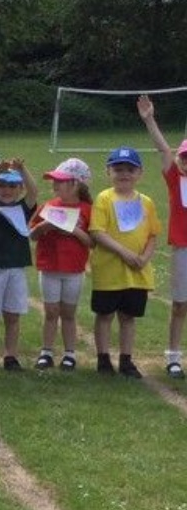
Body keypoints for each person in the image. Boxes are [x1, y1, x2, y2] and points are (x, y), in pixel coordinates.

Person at [88, 146, 159, 378]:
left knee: (128, 316)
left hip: (137, 271)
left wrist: (144, 258)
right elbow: (97, 232)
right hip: (109, 270)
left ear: (139, 173)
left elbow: (152, 235)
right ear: (108, 172)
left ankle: (126, 360)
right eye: (118, 169)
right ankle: (103, 359)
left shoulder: (146, 202)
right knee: (105, 315)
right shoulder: (104, 198)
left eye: (130, 169)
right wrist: (124, 253)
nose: (124, 174)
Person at [137, 94, 187, 378]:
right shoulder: (176, 180)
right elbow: (163, 150)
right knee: (180, 304)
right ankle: (173, 355)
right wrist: (150, 120)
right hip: (183, 248)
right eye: (185, 157)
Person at [29, 158, 93, 371]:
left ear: (76, 184)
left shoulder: (87, 209)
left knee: (68, 313)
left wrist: (73, 230)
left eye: (60, 181)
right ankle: (46, 352)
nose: (55, 184)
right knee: (50, 311)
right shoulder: (49, 206)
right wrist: (45, 226)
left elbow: (92, 242)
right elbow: (32, 235)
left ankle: (69, 354)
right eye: (54, 180)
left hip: (74, 269)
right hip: (50, 267)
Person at [0, 157, 38, 371]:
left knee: (12, 315)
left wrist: (22, 169)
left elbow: (34, 191)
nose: (6, 190)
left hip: (15, 267)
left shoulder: (23, 208)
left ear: (19, 189)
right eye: (1, 185)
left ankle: (11, 355)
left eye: (12, 186)